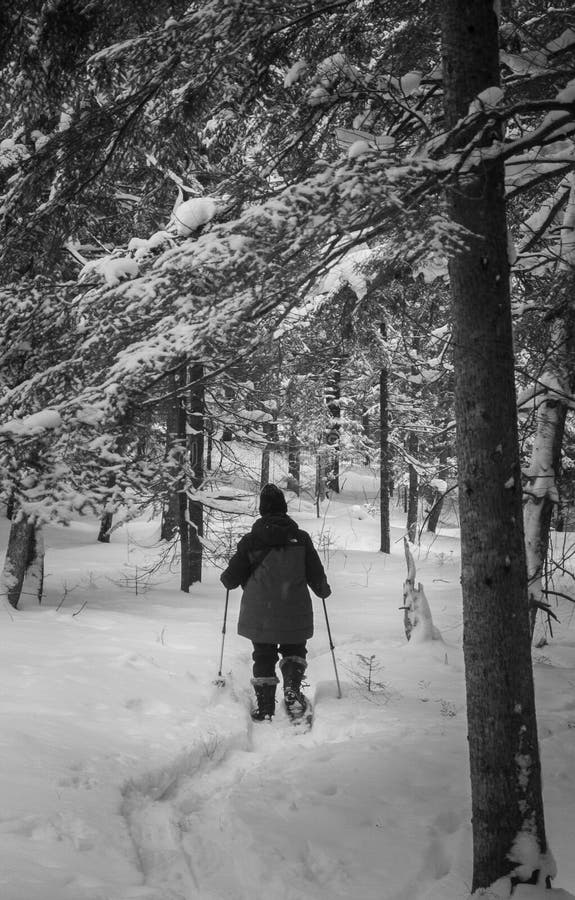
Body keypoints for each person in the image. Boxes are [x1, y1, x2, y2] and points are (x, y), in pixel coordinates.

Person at [220, 483, 331, 721]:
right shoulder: (300, 539)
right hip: (294, 607)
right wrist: (322, 589)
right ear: (283, 509)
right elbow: (315, 572)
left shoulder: (250, 541)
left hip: (260, 612)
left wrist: (228, 579)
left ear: (262, 510)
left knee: (263, 655)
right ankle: (292, 688)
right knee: (294, 649)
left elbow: (231, 578)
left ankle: (266, 707)